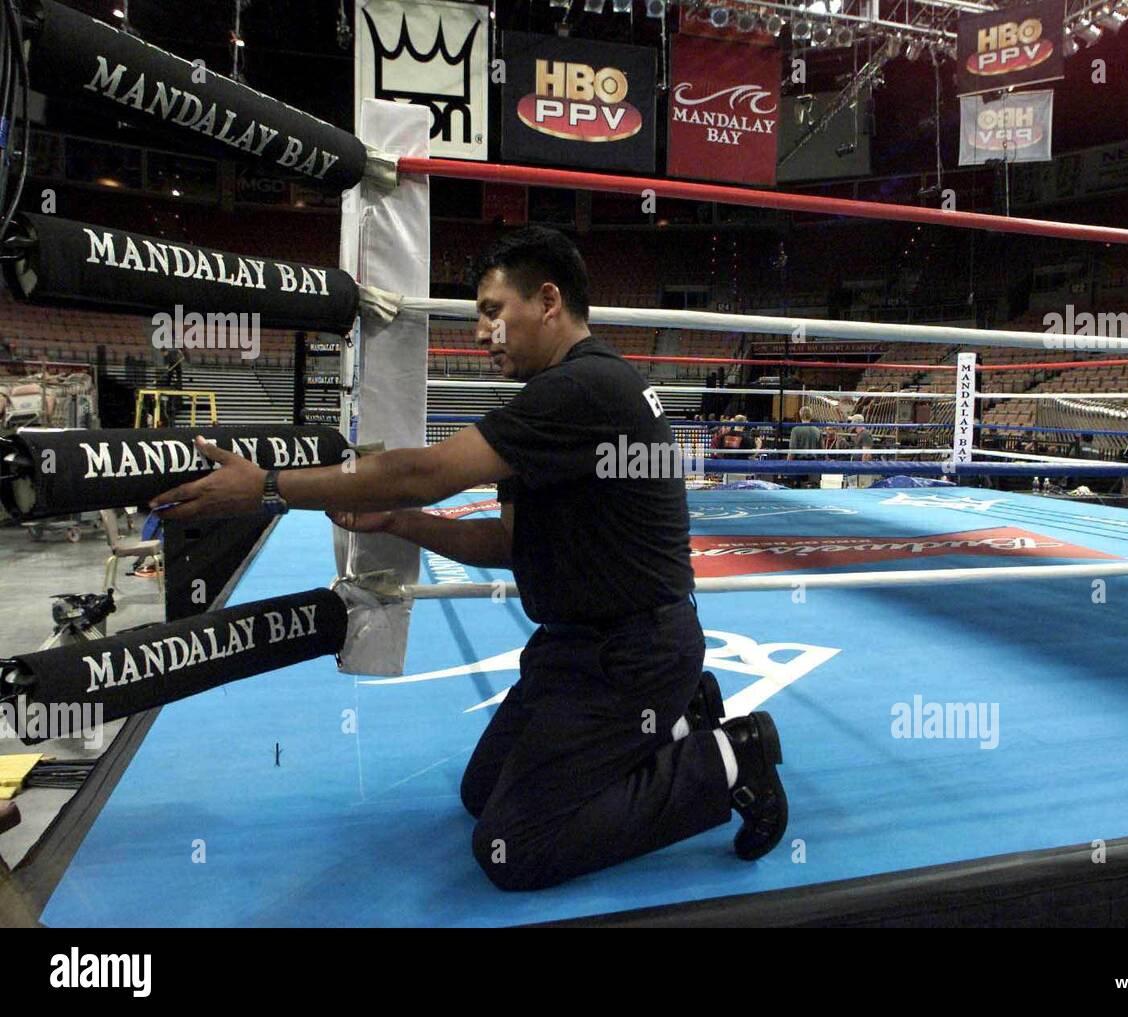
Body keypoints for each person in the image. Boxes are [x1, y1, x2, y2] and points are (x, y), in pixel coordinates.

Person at [150, 226, 787, 892]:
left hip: (631, 655)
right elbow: (507, 543)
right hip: (575, 651)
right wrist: (400, 521)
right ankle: (682, 713)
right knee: (481, 792)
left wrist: (268, 487)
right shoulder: (550, 404)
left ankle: (730, 758)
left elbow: (423, 470)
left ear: (547, 301)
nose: (482, 331)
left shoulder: (586, 388)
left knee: (512, 845)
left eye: (492, 311)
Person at [787, 406, 823, 489]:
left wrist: (787, 463)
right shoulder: (817, 430)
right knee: (813, 490)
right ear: (811, 416)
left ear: (800, 416)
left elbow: (792, 450)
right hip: (813, 464)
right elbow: (822, 449)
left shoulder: (796, 430)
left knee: (797, 490)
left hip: (799, 464)